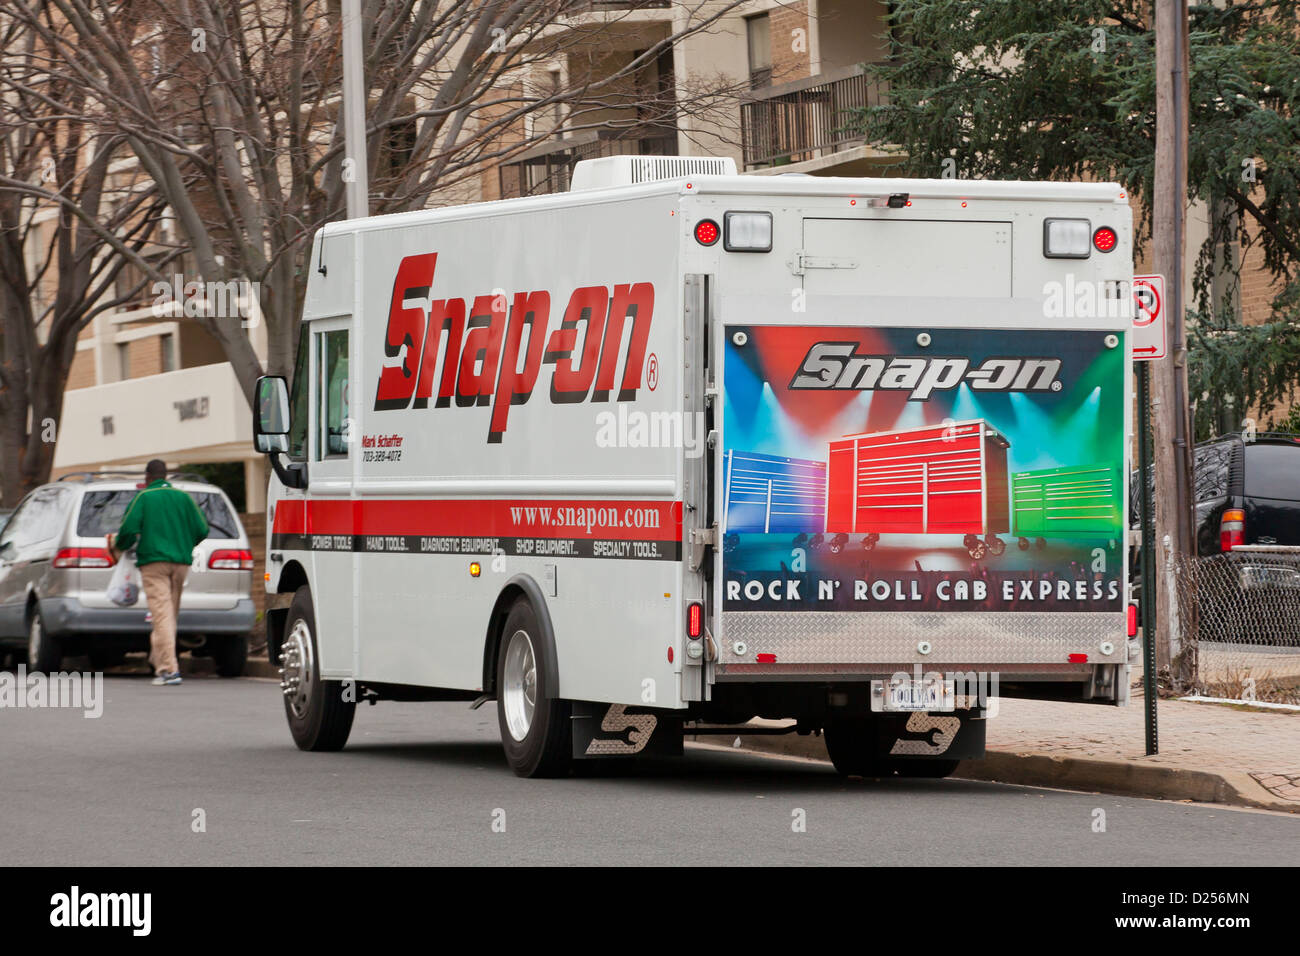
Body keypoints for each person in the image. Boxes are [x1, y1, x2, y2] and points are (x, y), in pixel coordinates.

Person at [107, 460, 209, 686]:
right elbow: (202, 529)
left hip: (154, 563)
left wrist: (119, 546)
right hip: (181, 563)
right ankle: (157, 659)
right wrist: (184, 544)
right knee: (169, 614)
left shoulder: (144, 498)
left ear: (147, 477)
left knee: (161, 615)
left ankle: (169, 670)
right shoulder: (184, 498)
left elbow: (128, 530)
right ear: (166, 476)